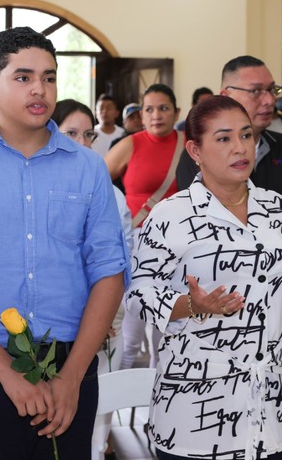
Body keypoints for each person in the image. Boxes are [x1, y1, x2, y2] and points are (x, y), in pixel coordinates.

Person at [0, 26, 128, 458]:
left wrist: (71, 378)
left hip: (71, 369)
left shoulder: (88, 168)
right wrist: (8, 374)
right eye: (24, 77)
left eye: (49, 77)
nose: (40, 89)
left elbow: (109, 272)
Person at [127, 96, 282, 460]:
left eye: (246, 135)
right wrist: (191, 304)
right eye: (223, 139)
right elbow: (139, 294)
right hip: (196, 412)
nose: (240, 148)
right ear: (195, 150)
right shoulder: (170, 216)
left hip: (274, 410)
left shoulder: (280, 209)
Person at [51, 98, 133, 460]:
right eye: (71, 134)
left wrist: (105, 317)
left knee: (96, 419)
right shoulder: (34, 189)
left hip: (103, 321)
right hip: (48, 324)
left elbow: (122, 260)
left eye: (89, 134)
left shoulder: (111, 194)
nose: (83, 144)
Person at [104, 83, 182, 369]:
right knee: (131, 334)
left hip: (178, 247)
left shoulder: (189, 144)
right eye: (149, 109)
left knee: (165, 336)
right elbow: (97, 184)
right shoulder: (130, 144)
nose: (156, 115)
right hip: (137, 244)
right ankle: (115, 409)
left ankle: (157, 411)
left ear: (177, 112)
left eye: (163, 108)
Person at [176, 55, 282, 212]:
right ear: (226, 96)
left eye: (271, 90)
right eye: (255, 91)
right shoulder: (202, 154)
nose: (269, 100)